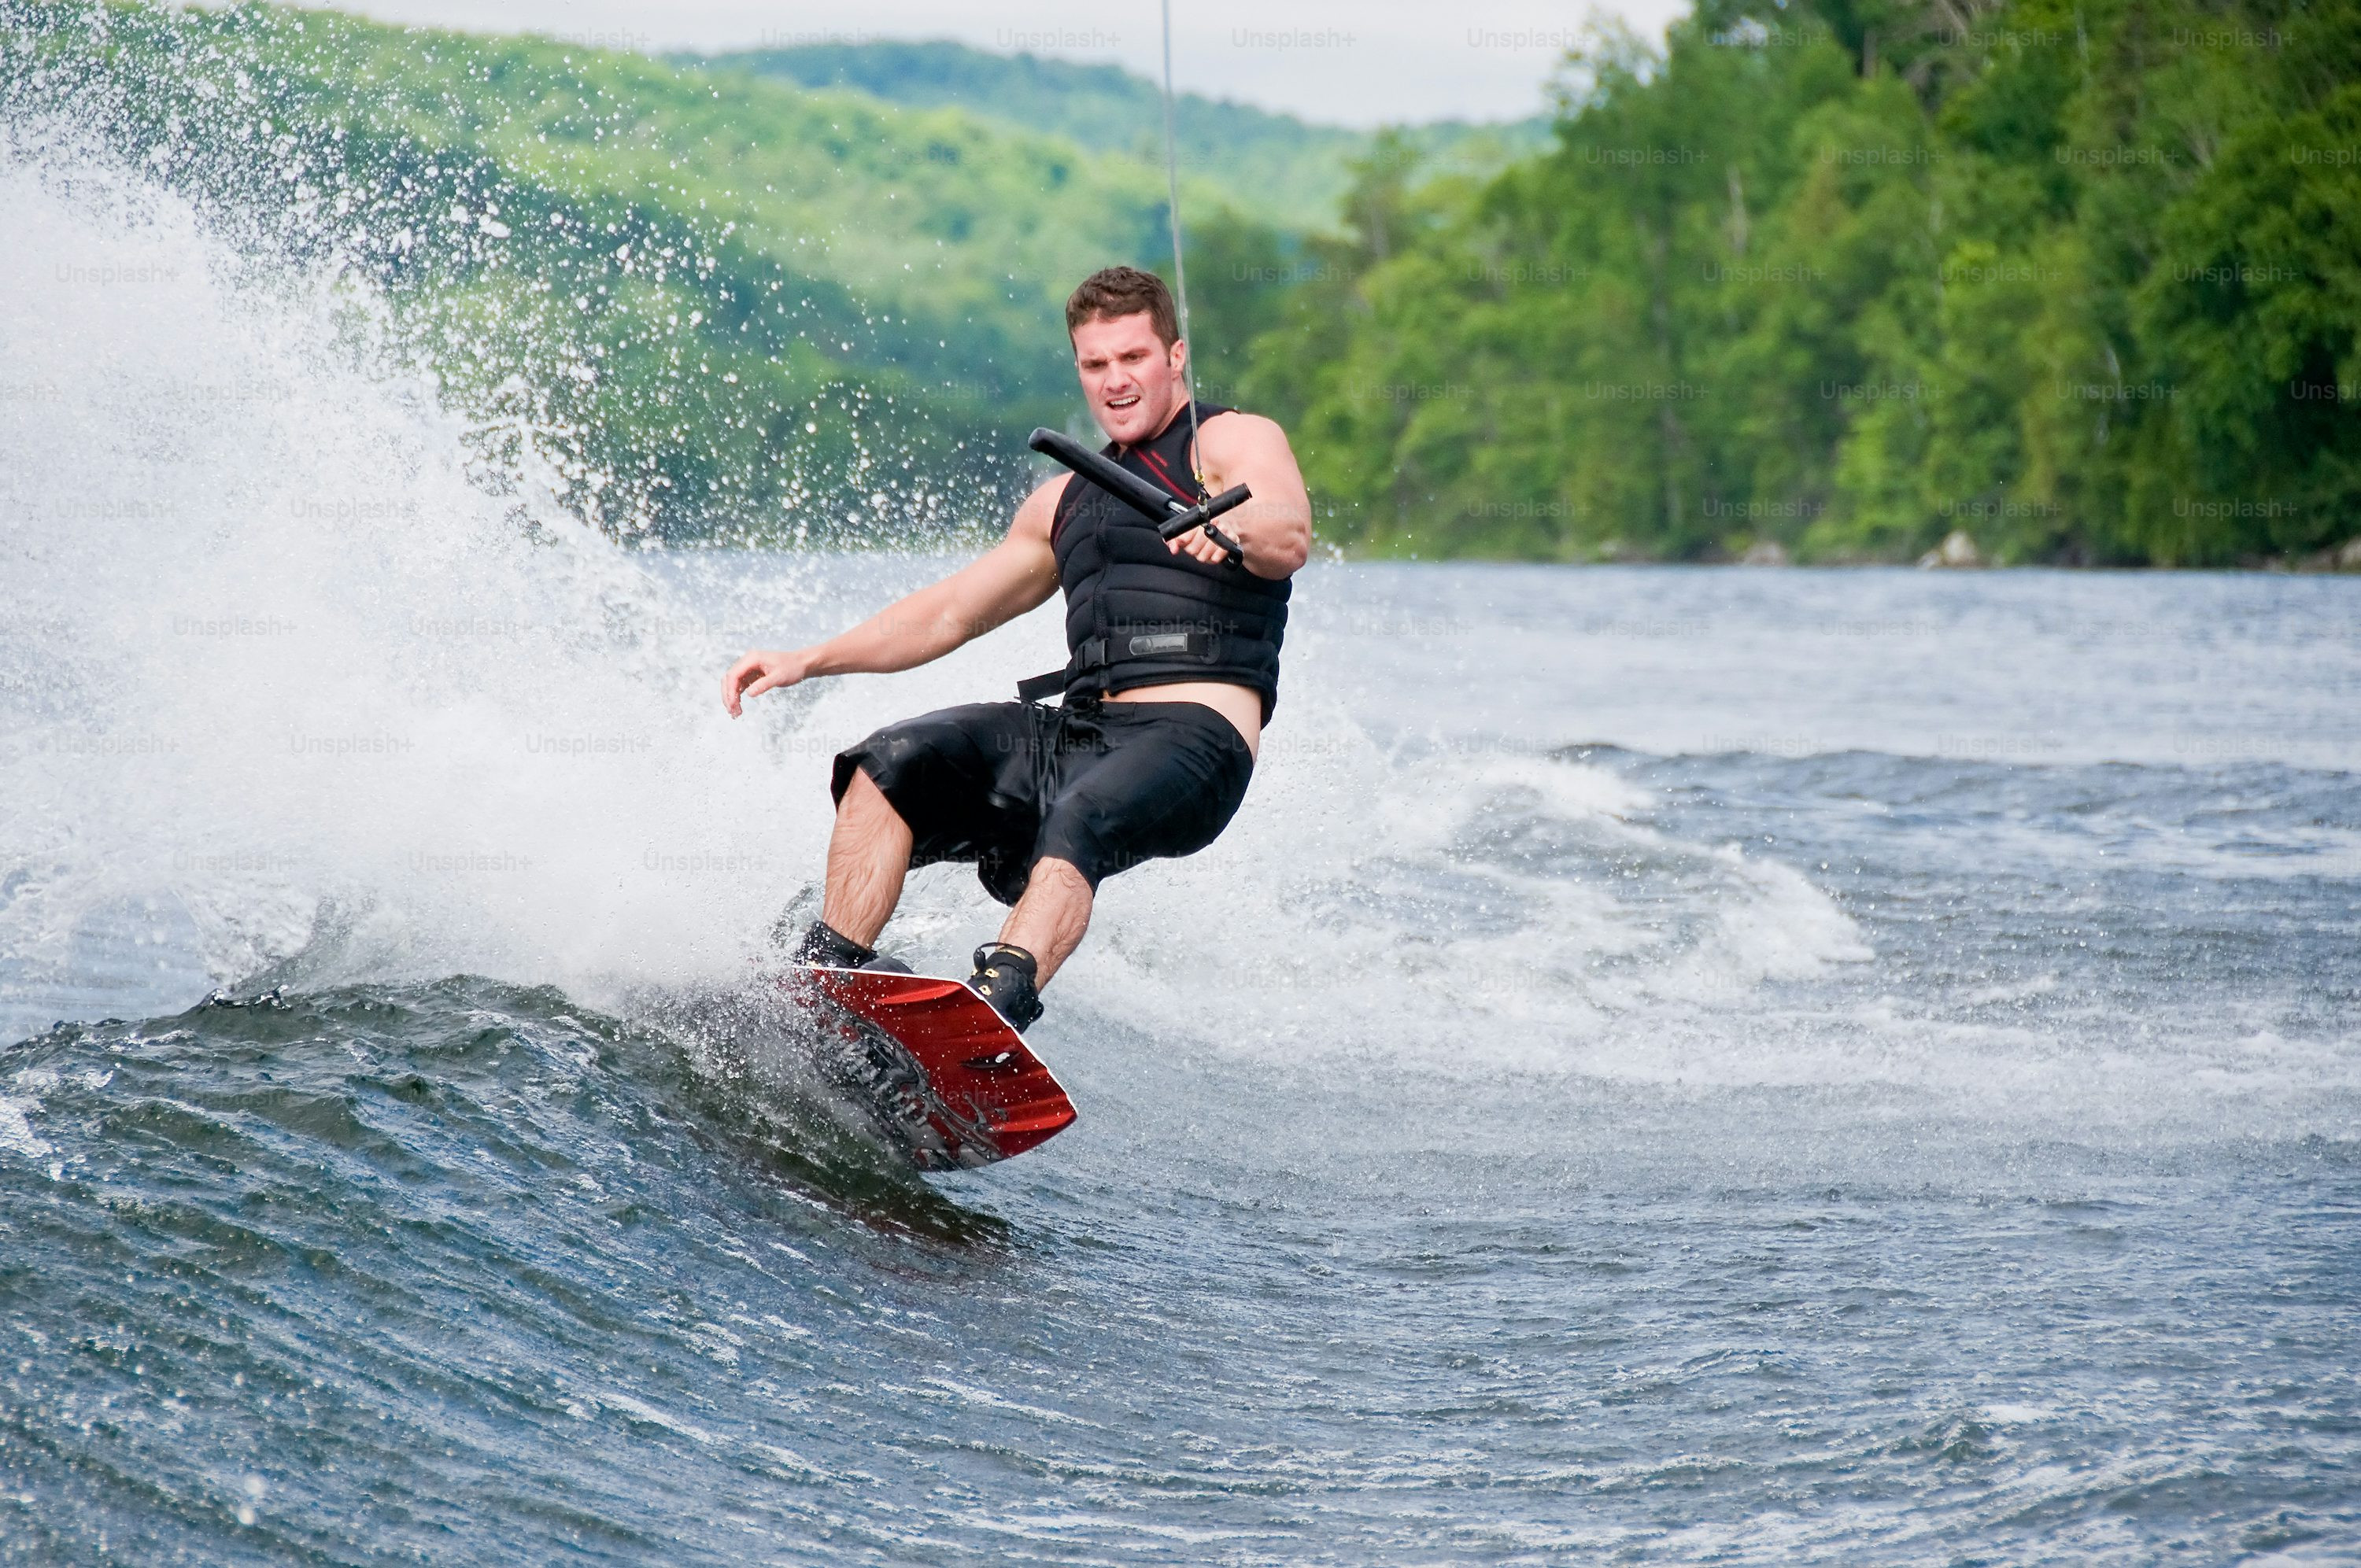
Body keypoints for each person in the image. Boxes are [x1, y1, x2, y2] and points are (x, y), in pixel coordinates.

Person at [721, 266, 1311, 1031]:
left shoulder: (1227, 440)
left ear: (1174, 357)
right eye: (1096, 364)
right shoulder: (1060, 502)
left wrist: (1230, 525)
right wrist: (810, 658)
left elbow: (1287, 529)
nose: (1116, 381)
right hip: (1079, 729)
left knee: (1083, 813)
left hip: (1194, 736)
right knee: (894, 760)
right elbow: (950, 614)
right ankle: (827, 976)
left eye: (1133, 358)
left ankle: (993, 1008)